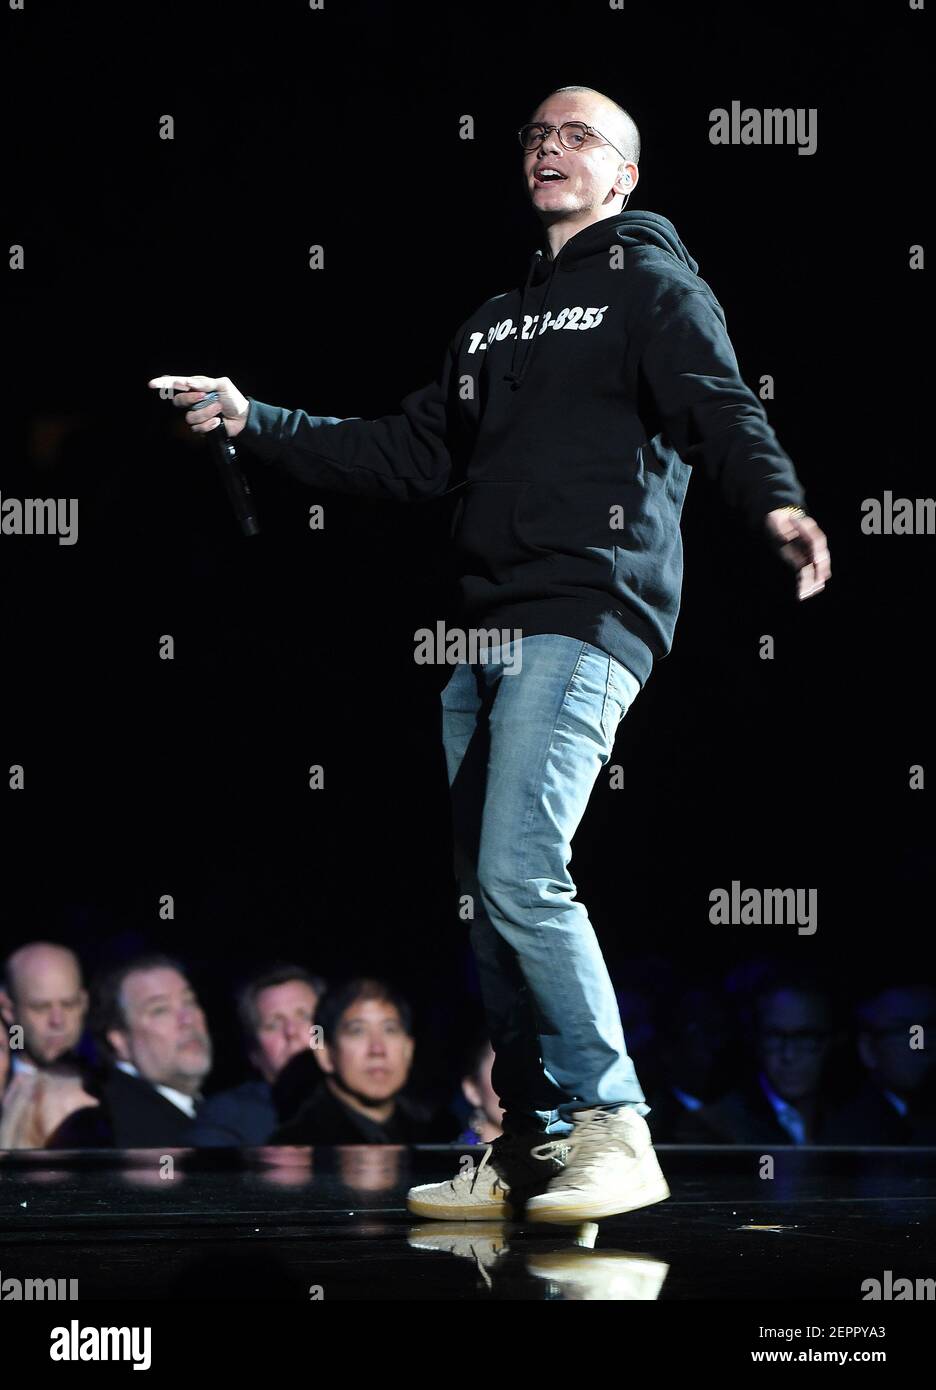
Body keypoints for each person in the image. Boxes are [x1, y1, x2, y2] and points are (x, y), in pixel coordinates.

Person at [148, 83, 831, 1220]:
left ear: (625, 177)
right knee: (489, 893)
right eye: (536, 137)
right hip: (482, 632)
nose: (550, 151)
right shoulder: (490, 322)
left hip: (584, 612)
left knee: (522, 869)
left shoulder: (657, 286)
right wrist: (251, 418)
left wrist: (778, 504)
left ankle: (614, 1123)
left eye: (580, 138)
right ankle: (535, 1139)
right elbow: (405, 451)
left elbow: (722, 407)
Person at [46, 954, 213, 1148]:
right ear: (120, 1041)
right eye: (160, 1010)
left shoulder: (212, 1112)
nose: (187, 1019)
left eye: (190, 1001)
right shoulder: (111, 1128)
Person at [270, 978, 459, 1144]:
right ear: (325, 1055)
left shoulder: (443, 1134)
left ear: (408, 1049)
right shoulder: (296, 1151)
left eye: (390, 1029)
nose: (377, 1049)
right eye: (357, 1031)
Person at [188, 964, 325, 1146]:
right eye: (272, 1025)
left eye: (305, 1017)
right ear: (255, 1053)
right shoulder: (227, 1117)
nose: (291, 1032)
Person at [0, 942, 99, 1149]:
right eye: (40, 1007)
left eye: (69, 1004)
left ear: (84, 1002)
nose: (58, 1021)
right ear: (9, 1009)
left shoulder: (113, 1088)